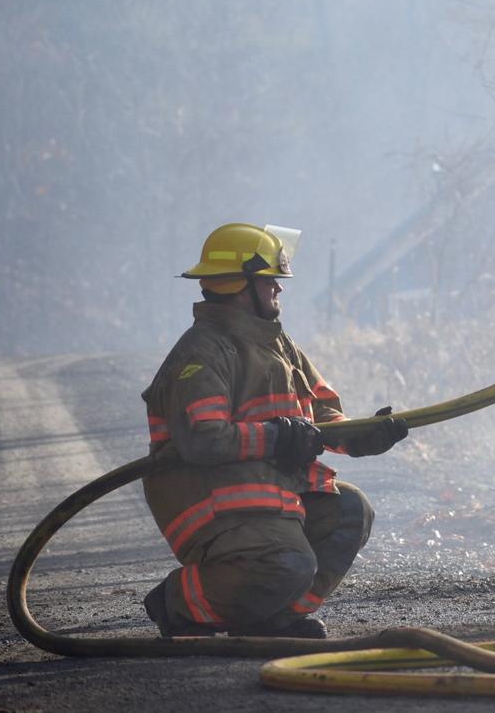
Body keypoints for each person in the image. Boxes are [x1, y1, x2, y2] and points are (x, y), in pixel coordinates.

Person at [140, 223, 407, 638]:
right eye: (270, 282)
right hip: (215, 504)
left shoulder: (278, 345)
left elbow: (319, 418)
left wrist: (362, 436)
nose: (279, 290)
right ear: (240, 287)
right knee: (288, 562)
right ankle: (179, 602)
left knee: (351, 512)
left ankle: (276, 617)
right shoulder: (201, 353)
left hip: (268, 494)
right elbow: (203, 440)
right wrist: (276, 436)